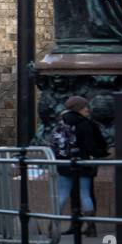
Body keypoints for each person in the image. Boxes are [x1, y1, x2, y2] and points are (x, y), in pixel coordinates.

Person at [51, 95, 107, 236]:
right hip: (82, 162)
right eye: (84, 107)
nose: (87, 109)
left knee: (62, 194)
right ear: (79, 109)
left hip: (64, 162)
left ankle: (52, 226)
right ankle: (91, 227)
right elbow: (90, 146)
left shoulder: (61, 122)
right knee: (85, 194)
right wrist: (101, 153)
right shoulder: (84, 123)